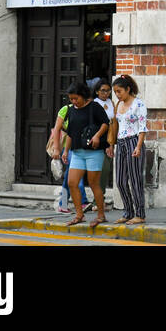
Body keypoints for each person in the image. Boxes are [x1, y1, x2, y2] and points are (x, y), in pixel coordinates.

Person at [60, 81, 109, 226]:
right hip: (77, 152)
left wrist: (97, 136)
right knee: (72, 182)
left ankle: (101, 215)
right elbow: (70, 133)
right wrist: (66, 150)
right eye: (71, 99)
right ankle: (79, 215)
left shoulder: (94, 107)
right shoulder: (72, 110)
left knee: (94, 183)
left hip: (94, 152)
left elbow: (105, 123)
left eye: (76, 98)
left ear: (83, 96)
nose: (74, 101)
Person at [108, 75, 149, 225]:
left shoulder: (139, 104)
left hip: (134, 142)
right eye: (115, 92)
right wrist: (111, 145)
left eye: (119, 91)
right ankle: (128, 211)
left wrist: (138, 146)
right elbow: (114, 127)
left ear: (128, 89)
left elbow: (143, 128)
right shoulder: (118, 104)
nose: (117, 94)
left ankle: (140, 214)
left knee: (135, 180)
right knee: (120, 180)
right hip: (121, 143)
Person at [47, 102, 92, 214]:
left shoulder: (88, 110)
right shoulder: (66, 110)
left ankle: (63, 204)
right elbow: (57, 129)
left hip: (80, 147)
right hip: (67, 148)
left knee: (69, 176)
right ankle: (83, 202)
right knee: (77, 173)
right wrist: (57, 149)